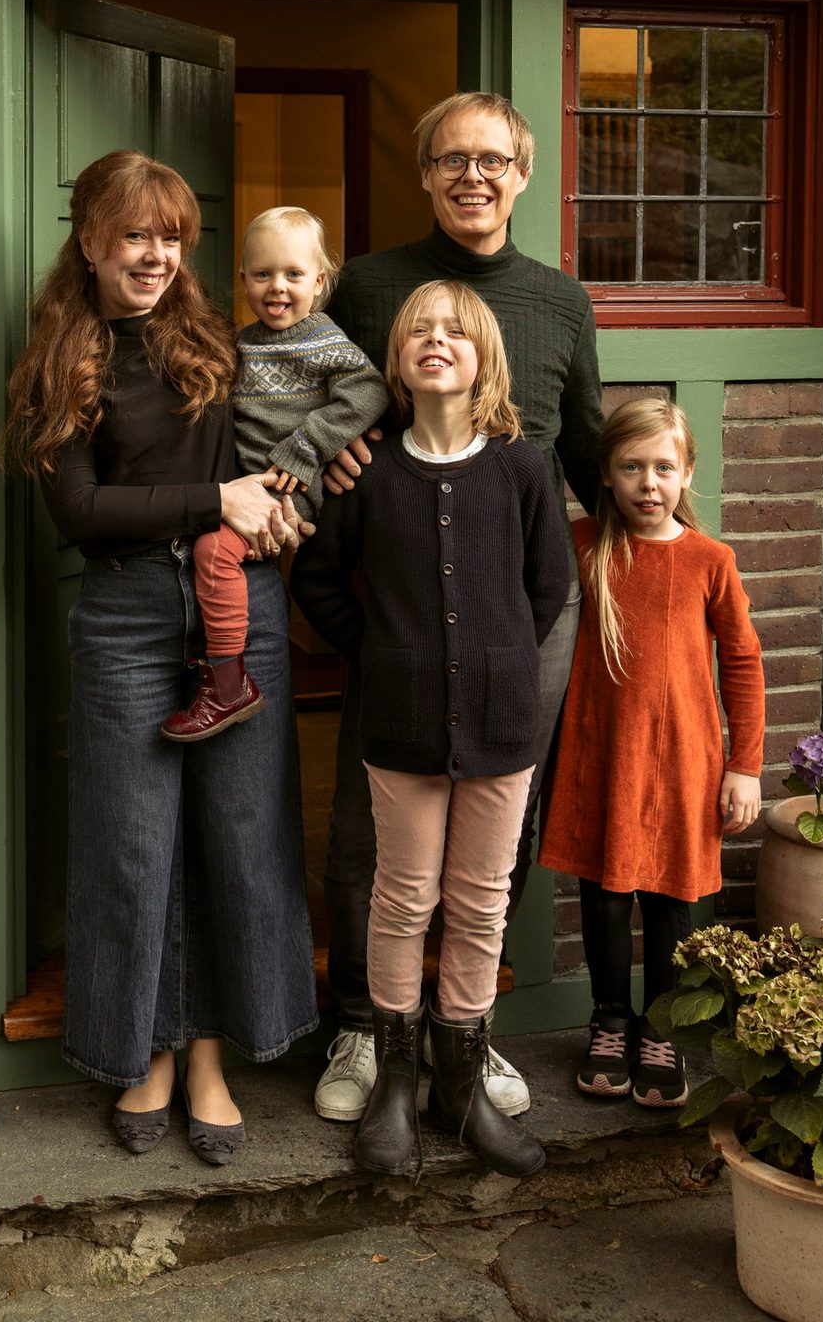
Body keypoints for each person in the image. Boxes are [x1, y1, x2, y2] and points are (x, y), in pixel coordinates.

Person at [3, 149, 318, 1166]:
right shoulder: (62, 360)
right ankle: (140, 1054)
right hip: (128, 614)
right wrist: (210, 502)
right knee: (129, 845)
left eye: (171, 236)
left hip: (242, 607)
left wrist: (285, 503)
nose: (154, 254)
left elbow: (292, 437)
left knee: (238, 832)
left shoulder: (222, 344)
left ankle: (213, 1062)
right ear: (90, 240)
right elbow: (79, 513)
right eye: (134, 234)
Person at [313, 92, 603, 1124]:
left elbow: (581, 442)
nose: (470, 176)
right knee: (372, 829)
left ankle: (459, 1033)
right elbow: (314, 410)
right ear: (424, 173)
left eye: (491, 159)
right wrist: (316, 458)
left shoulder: (559, 302)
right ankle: (361, 1019)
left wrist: (651, 550)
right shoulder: (367, 288)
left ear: (520, 174)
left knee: (497, 819)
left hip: (521, 601)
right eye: (450, 160)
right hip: (395, 599)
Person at [291, 281, 569, 1177]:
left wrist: (495, 660)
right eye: (418, 332)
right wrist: (383, 651)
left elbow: (546, 586)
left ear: (484, 355)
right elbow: (320, 580)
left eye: (456, 331)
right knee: (402, 896)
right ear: (398, 362)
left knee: (482, 900)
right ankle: (394, 1083)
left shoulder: (522, 468)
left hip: (499, 722)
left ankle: (462, 1084)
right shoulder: (369, 471)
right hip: (399, 720)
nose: (437, 341)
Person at [538, 395, 764, 1107]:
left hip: (683, 764)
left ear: (688, 472)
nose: (647, 483)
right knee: (604, 896)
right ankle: (610, 1021)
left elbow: (744, 664)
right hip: (600, 755)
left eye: (663, 467)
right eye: (631, 467)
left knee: (668, 898)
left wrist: (746, 765)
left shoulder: (709, 560)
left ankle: (660, 1029)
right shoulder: (582, 546)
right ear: (604, 473)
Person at [162, 205, 388, 743]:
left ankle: (227, 679)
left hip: (293, 486)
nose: (277, 287)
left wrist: (306, 448)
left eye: (293, 274)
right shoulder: (241, 344)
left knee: (212, 553)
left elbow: (369, 391)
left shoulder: (324, 339)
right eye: (262, 275)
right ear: (242, 280)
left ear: (321, 280)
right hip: (251, 485)